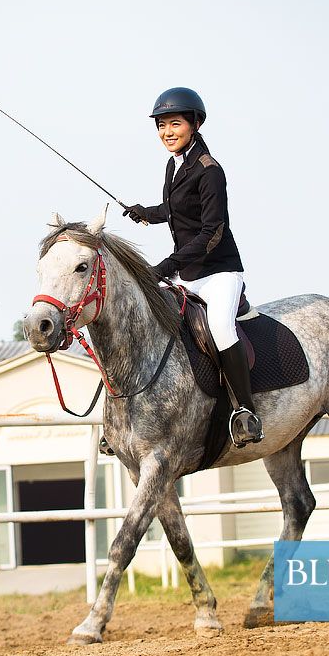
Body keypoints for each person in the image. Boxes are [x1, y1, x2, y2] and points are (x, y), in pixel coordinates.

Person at [123, 87, 264, 447]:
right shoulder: (174, 164)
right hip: (186, 273)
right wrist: (145, 213)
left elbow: (212, 230)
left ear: (195, 124)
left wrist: (167, 265)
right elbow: (176, 210)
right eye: (161, 125)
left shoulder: (209, 170)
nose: (166, 132)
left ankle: (245, 411)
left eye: (175, 124)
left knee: (220, 326)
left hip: (219, 273)